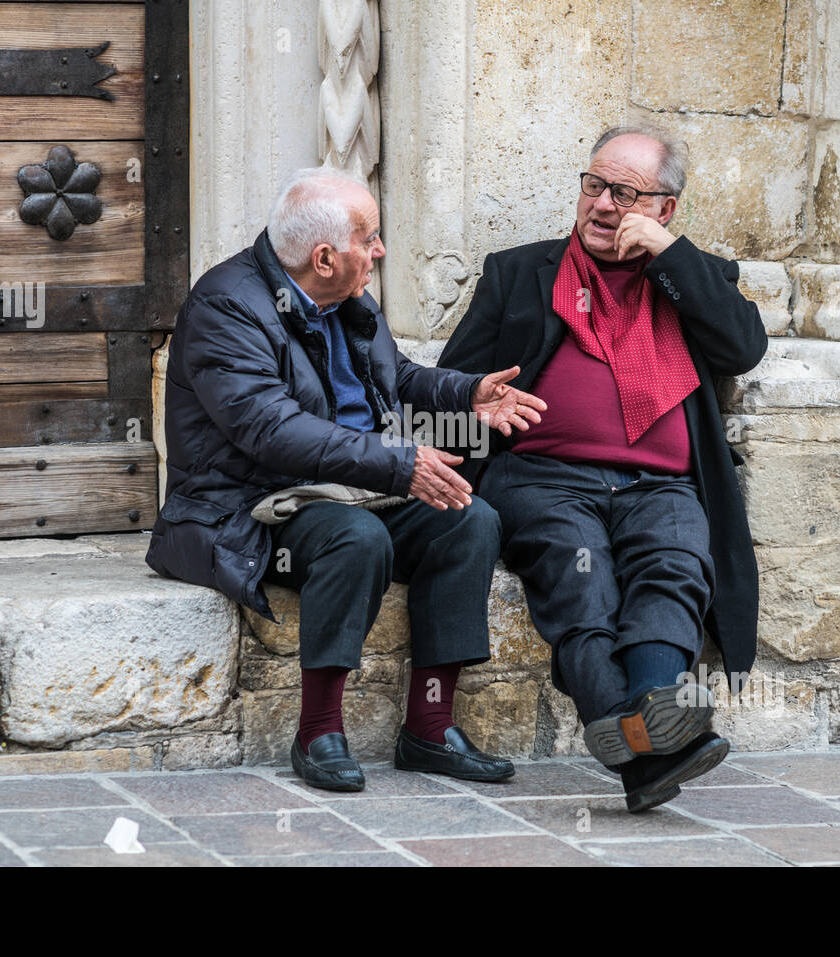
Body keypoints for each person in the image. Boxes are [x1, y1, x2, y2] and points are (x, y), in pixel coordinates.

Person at [145, 166, 547, 792]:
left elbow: (399, 377)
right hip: (250, 505)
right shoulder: (226, 306)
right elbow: (270, 431)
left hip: (352, 484)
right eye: (371, 237)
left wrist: (466, 395)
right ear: (325, 256)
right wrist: (399, 462)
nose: (380, 250)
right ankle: (319, 730)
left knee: (470, 520)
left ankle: (430, 725)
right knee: (356, 539)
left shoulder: (347, 297)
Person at [438, 126, 768, 813]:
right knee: (577, 570)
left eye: (625, 193)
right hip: (543, 477)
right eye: (594, 186)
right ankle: (643, 728)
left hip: (663, 482)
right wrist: (479, 407)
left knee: (675, 563)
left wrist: (672, 258)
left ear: (664, 209)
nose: (603, 205)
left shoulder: (692, 276)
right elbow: (450, 385)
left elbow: (742, 347)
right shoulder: (519, 272)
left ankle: (641, 743)